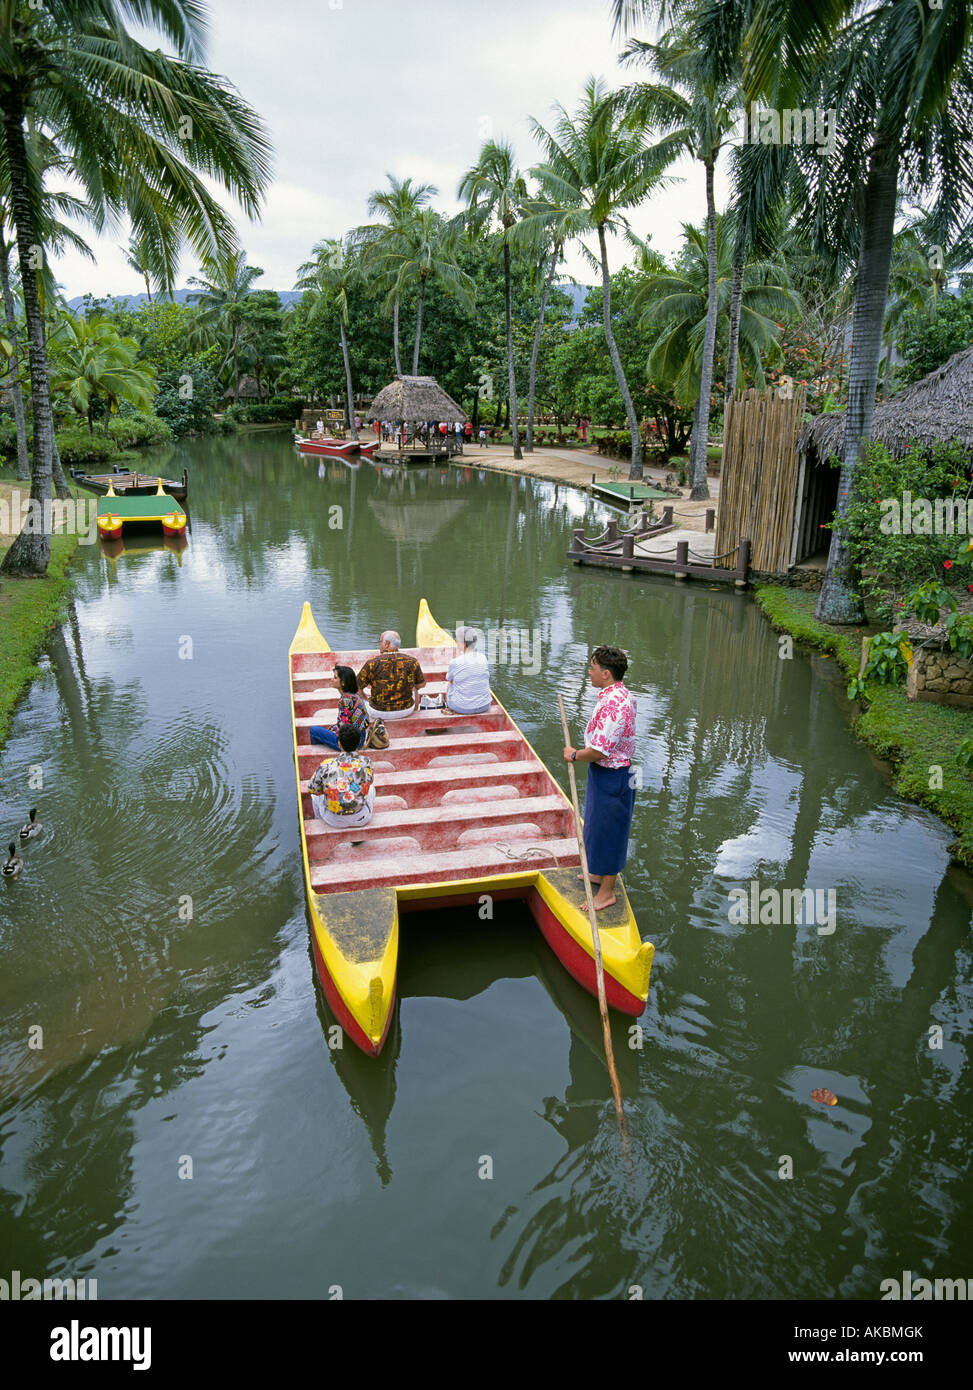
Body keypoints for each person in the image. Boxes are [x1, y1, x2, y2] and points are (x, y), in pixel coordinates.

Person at [563, 645, 637, 912]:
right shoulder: (614, 694)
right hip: (603, 772)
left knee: (612, 832)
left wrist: (573, 755)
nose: (589, 672)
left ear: (606, 673)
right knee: (595, 823)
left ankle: (607, 892)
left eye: (592, 668)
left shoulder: (616, 703)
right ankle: (596, 873)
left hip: (614, 776)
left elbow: (598, 751)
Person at [309, 724, 376, 828]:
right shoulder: (366, 762)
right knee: (371, 787)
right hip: (361, 818)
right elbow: (370, 781)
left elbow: (313, 790)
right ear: (359, 742)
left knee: (314, 796)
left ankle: (318, 820)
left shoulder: (326, 765)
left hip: (333, 820)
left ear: (339, 744)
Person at [358, 630, 425, 720]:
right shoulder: (412, 661)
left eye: (380, 642)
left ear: (387, 643)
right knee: (415, 688)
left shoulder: (372, 663)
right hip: (406, 710)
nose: (379, 645)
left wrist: (366, 698)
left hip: (377, 712)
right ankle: (415, 714)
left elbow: (356, 687)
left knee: (355, 693)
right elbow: (421, 684)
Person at [309, 665, 370, 750]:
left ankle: (317, 751)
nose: (331, 679)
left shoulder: (345, 700)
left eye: (335, 678)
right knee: (331, 728)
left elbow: (343, 727)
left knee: (313, 730)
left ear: (343, 683)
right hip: (361, 738)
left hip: (349, 745)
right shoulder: (356, 695)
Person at [445, 629, 492, 713]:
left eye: (457, 641)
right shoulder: (483, 657)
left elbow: (450, 680)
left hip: (461, 707)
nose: (456, 642)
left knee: (450, 683)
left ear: (464, 644)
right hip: (485, 706)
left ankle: (449, 706)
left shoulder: (455, 661)